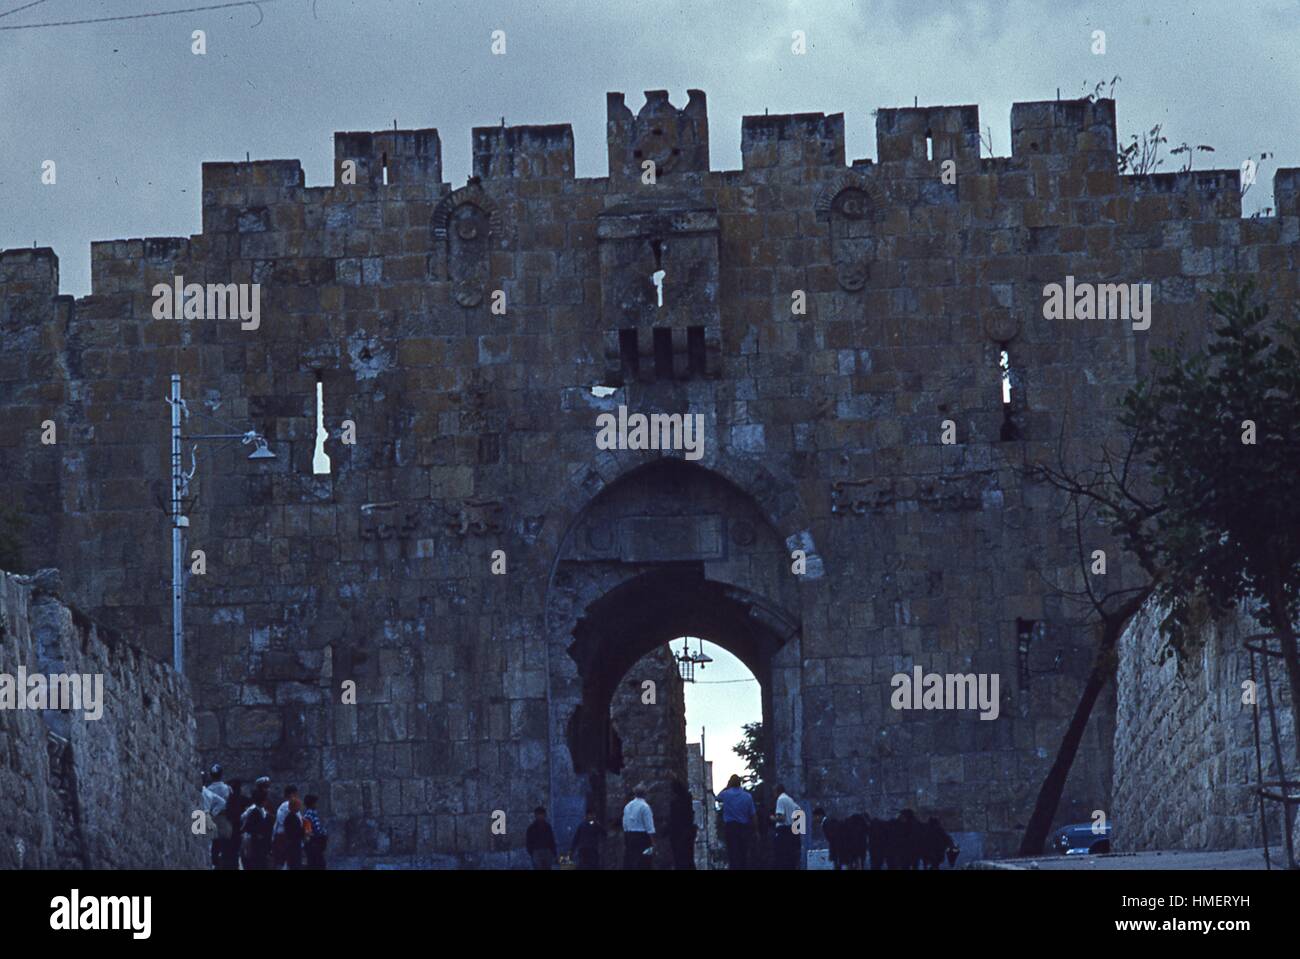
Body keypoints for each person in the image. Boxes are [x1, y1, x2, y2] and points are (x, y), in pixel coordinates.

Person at [716, 774, 757, 870]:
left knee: (732, 854)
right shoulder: (747, 796)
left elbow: (717, 798)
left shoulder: (726, 794)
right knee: (743, 853)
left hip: (730, 828)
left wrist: (727, 787)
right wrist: (756, 830)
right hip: (743, 828)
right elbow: (753, 815)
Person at [240, 784, 274, 870]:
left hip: (261, 844)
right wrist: (258, 833)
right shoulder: (254, 812)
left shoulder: (261, 812)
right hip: (256, 844)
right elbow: (249, 827)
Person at [621, 783, 655, 869]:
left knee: (631, 861)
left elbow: (625, 824)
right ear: (645, 793)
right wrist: (653, 842)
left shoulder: (627, 806)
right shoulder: (645, 807)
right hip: (642, 837)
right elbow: (649, 827)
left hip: (629, 836)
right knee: (644, 861)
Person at [667, 778, 697, 869]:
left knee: (679, 859)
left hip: (678, 834)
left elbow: (673, 820)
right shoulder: (687, 799)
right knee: (688, 858)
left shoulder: (675, 803)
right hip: (687, 833)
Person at [771, 783, 801, 870]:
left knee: (781, 858)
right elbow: (799, 810)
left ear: (777, 791)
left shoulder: (780, 800)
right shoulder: (790, 800)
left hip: (782, 831)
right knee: (790, 858)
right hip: (791, 830)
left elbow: (781, 818)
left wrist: (773, 818)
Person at [272, 785, 299, 868]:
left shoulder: (282, 806)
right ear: (292, 794)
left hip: (281, 836)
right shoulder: (288, 806)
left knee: (281, 862)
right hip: (287, 837)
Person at [302, 794, 329, 869]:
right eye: (315, 803)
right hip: (314, 844)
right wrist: (324, 833)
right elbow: (315, 830)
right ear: (312, 804)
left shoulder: (308, 815)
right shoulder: (310, 815)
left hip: (313, 844)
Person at [282, 794, 305, 869]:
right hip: (293, 845)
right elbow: (296, 832)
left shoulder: (292, 817)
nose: (300, 807)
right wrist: (304, 831)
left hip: (292, 844)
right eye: (298, 805)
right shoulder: (292, 818)